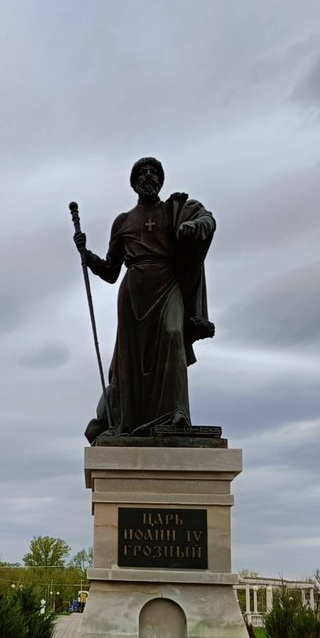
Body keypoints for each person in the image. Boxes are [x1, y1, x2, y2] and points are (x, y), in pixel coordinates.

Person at [76, 157, 215, 442]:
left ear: (161, 181)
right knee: (131, 358)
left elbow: (207, 219)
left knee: (173, 335)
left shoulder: (175, 210)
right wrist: (86, 256)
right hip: (133, 293)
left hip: (167, 285)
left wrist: (193, 228)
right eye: (142, 172)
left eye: (154, 172)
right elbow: (111, 271)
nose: (148, 176)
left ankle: (177, 414)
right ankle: (129, 419)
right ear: (134, 182)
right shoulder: (124, 221)